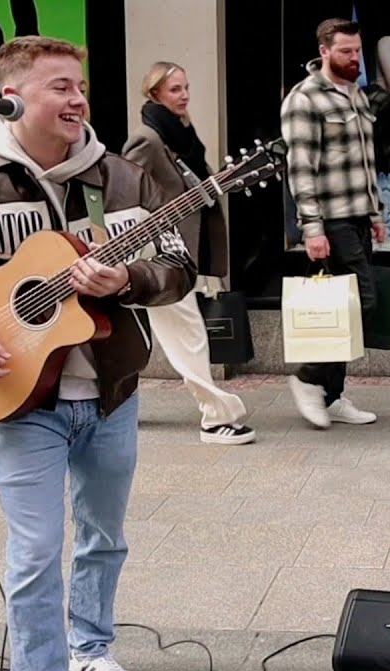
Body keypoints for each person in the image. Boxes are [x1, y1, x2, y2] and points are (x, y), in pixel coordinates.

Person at [0, 36, 197, 671]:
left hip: (110, 394)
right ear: (14, 96)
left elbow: (179, 267)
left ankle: (90, 645)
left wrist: (128, 277)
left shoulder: (122, 177)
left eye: (80, 85)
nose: (79, 98)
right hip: (22, 402)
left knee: (105, 536)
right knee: (33, 557)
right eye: (60, 87)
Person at [123, 61, 255, 445]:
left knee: (145, 333)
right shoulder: (148, 139)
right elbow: (125, 191)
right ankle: (216, 418)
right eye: (174, 90)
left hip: (180, 251)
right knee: (189, 332)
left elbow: (193, 188)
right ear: (155, 94)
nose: (183, 96)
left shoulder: (182, 136)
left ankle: (110, 406)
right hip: (156, 253)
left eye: (185, 88)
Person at [280, 18, 385, 428]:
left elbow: (364, 163)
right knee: (360, 303)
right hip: (331, 220)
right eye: (346, 51)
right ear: (324, 50)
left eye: (358, 50)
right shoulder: (304, 99)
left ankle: (332, 397)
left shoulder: (355, 94)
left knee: (342, 307)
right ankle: (308, 379)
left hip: (357, 216)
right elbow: (301, 170)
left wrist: (374, 213)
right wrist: (312, 228)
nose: (354, 57)